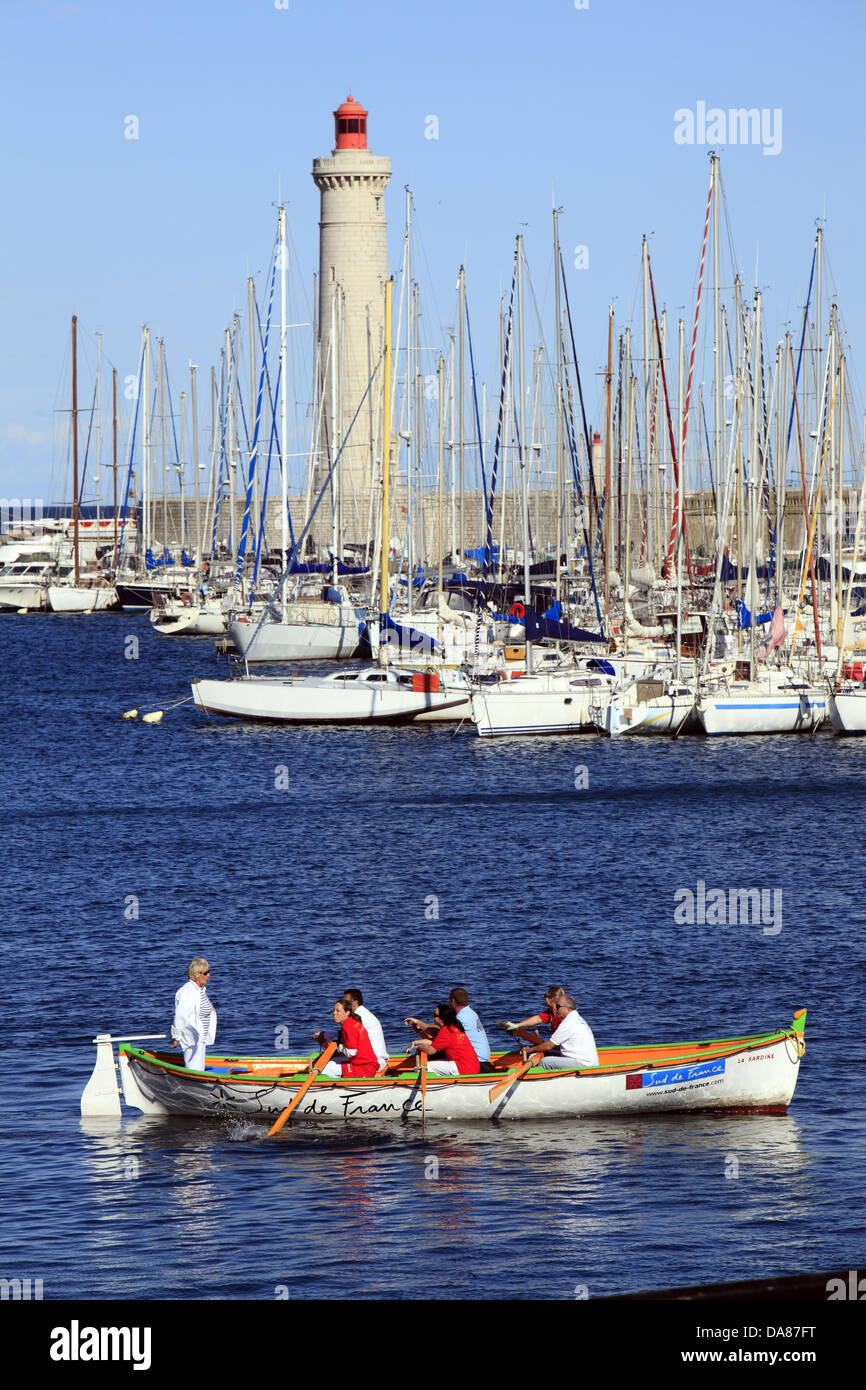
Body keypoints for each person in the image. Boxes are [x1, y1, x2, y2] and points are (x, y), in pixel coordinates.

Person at [407, 1003, 480, 1077]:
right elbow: (434, 1040)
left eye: (435, 1015)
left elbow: (430, 1051)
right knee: (436, 1063)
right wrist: (415, 1042)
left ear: (442, 1019)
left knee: (428, 1066)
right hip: (473, 1067)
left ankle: (433, 1086)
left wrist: (419, 1047)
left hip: (464, 1068)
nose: (433, 1017)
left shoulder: (446, 1030)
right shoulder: (454, 1027)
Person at [530, 994, 599, 1071]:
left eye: (558, 1006)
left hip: (584, 1064)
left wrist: (530, 1050)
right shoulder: (576, 1018)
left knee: (545, 1062)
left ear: (568, 1009)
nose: (555, 1008)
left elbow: (548, 1046)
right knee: (549, 1053)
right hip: (586, 1061)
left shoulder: (568, 1023)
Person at [313, 999, 379, 1078]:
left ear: (347, 1013)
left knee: (325, 1069)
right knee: (330, 1062)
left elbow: (351, 1053)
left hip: (364, 1068)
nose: (334, 1013)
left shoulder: (348, 1026)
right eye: (334, 1010)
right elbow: (341, 1035)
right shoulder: (351, 1021)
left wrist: (339, 1047)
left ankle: (335, 1087)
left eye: (338, 1011)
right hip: (365, 1063)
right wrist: (324, 1034)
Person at [172, 958, 217, 1071]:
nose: (209, 975)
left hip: (200, 1039)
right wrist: (176, 1037)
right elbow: (179, 1016)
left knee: (198, 1068)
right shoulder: (188, 992)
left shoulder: (199, 990)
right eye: (206, 973)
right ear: (197, 975)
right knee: (194, 1069)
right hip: (192, 1039)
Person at [449, 986, 494, 1073]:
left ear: (453, 1001)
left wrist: (423, 1026)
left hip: (477, 1063)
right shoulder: (471, 1013)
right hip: (483, 1060)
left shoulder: (460, 1018)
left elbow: (444, 1034)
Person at [342, 988, 389, 1070]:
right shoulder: (363, 1014)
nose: (343, 1005)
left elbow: (351, 1048)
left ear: (355, 1003)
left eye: (345, 1002)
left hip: (371, 1062)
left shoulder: (358, 1017)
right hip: (378, 1059)